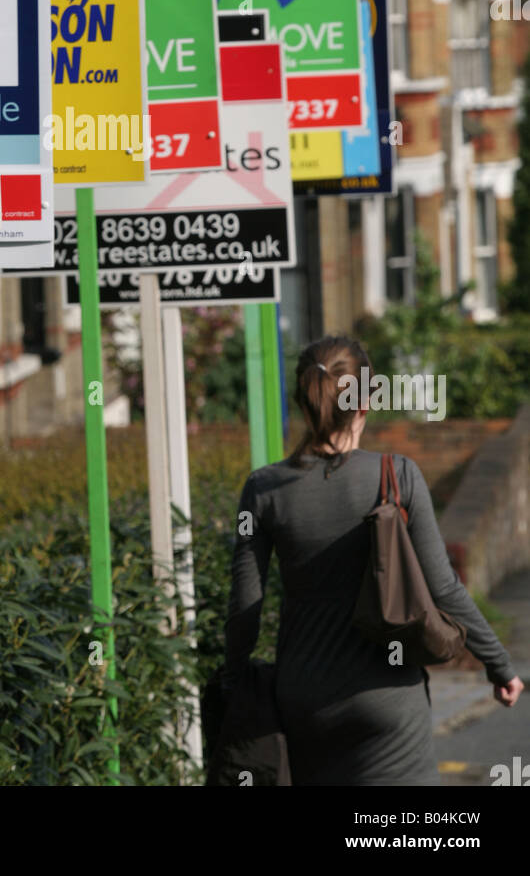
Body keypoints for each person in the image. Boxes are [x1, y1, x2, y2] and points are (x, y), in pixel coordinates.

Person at [224, 334, 524, 786]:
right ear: (366, 402)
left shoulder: (262, 490)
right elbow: (443, 587)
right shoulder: (398, 475)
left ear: (303, 404)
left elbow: (246, 603)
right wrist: (498, 665)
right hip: (385, 696)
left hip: (304, 697)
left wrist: (234, 679)